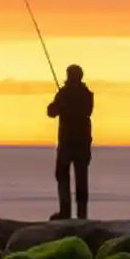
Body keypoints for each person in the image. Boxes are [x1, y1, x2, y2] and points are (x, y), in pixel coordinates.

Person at [46, 64, 94, 220]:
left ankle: (65, 212)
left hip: (67, 143)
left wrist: (61, 102)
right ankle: (81, 214)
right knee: (81, 178)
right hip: (82, 143)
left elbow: (51, 112)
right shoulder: (87, 94)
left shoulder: (65, 94)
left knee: (63, 176)